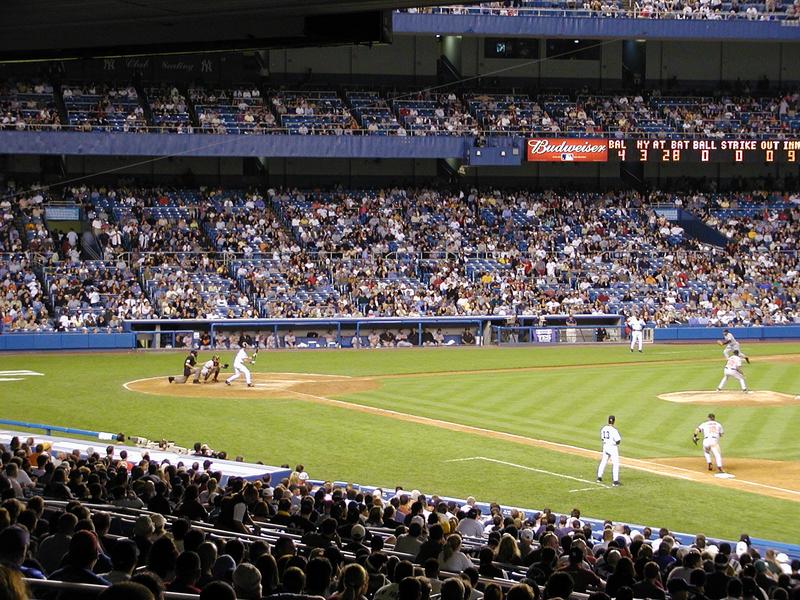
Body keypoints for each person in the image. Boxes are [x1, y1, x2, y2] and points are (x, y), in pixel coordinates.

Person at [596, 415, 621, 486]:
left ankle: (599, 477)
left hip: (605, 446)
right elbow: (618, 441)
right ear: (614, 421)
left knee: (603, 461)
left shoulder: (604, 428)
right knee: (616, 463)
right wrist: (614, 443)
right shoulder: (614, 430)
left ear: (608, 420)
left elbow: (602, 438)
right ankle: (615, 481)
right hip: (612, 448)